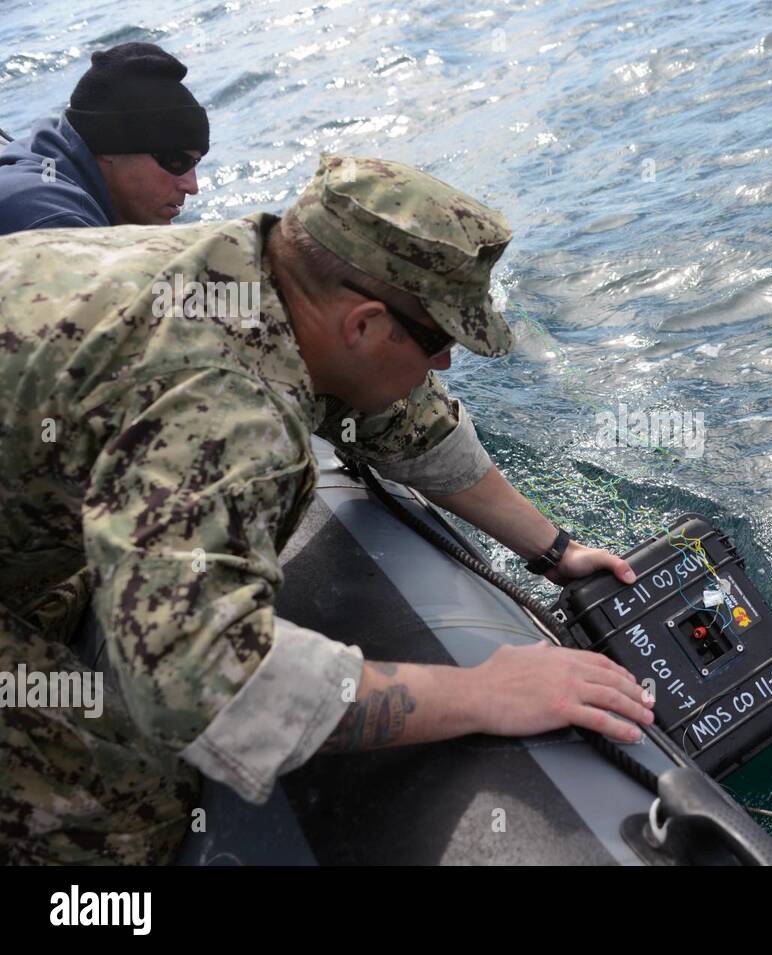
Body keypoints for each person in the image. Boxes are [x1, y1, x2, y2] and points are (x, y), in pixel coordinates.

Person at [0, 153, 653, 864]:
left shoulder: (248, 267)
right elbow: (208, 685)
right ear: (366, 325)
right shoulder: (229, 404)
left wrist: (555, 550)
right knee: (121, 801)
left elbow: (405, 424)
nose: (443, 367)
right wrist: (484, 692)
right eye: (437, 341)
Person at [0, 41, 207, 235]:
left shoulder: (50, 156)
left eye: (195, 163)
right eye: (176, 162)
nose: (192, 186)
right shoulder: (52, 221)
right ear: (112, 149)